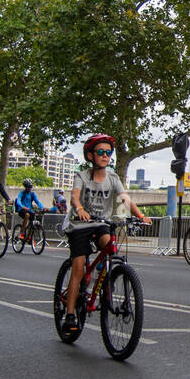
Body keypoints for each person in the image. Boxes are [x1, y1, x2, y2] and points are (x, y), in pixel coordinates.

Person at [59, 135, 149, 334]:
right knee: (79, 267)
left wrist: (140, 215)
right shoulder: (81, 176)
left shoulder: (113, 179)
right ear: (90, 155)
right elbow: (74, 197)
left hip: (101, 224)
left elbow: (125, 199)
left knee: (111, 247)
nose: (105, 156)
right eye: (101, 152)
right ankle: (71, 314)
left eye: (108, 152)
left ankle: (102, 280)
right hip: (80, 225)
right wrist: (80, 208)